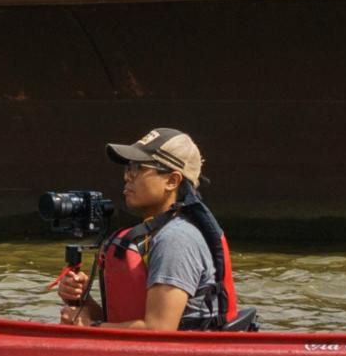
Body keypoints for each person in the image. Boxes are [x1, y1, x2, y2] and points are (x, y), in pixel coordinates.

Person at [52, 127, 251, 331]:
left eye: (138, 168)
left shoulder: (176, 239)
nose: (128, 177)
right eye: (129, 167)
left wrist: (89, 327)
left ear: (172, 181)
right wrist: (85, 301)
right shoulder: (156, 233)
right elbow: (128, 323)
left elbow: (159, 330)